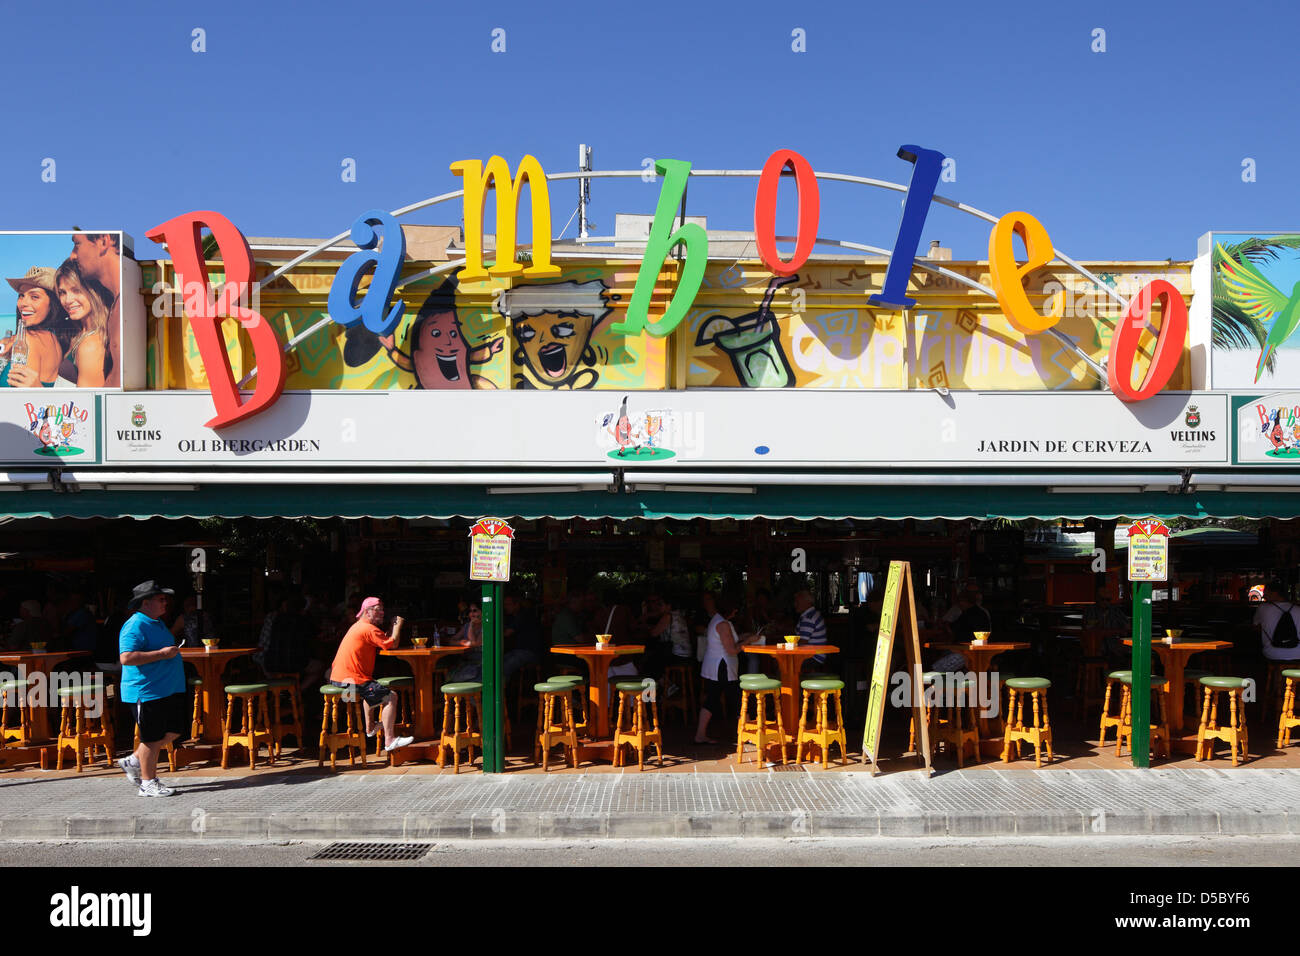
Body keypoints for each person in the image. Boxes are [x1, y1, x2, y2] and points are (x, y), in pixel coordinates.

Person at [116, 581, 184, 796]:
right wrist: (163, 654)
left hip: (166, 688)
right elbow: (126, 657)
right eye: (160, 599)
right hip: (146, 690)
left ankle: (135, 759)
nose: (165, 602)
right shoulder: (135, 624)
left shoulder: (157, 622)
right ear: (146, 603)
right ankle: (148, 783)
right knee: (152, 739)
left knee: (176, 729)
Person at [329, 597, 413, 751]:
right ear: (367, 612)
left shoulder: (359, 626)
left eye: (382, 609)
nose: (382, 613)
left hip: (339, 677)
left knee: (373, 689)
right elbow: (392, 644)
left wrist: (390, 629)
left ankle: (370, 728)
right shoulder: (368, 629)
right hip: (352, 679)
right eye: (377, 609)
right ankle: (389, 740)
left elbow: (384, 640)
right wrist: (398, 625)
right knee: (391, 697)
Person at [696, 594, 752, 744]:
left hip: (716, 666)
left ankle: (700, 735)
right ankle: (747, 733)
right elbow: (731, 650)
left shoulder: (719, 620)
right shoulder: (723, 624)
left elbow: (728, 639)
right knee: (736, 698)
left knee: (713, 699)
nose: (736, 613)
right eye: (735, 610)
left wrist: (743, 637)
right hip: (722, 666)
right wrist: (747, 641)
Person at [69, 232, 121, 387]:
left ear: (103, 241)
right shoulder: (115, 307)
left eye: (77, 244)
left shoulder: (126, 303)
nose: (72, 255)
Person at [1, 267, 67, 387]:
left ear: (52, 304)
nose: (23, 303)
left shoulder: (26, 341)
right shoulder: (55, 339)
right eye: (21, 295)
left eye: (34, 297)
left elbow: (21, 400)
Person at [53, 259, 112, 386]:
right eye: (62, 292)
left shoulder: (91, 345)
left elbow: (86, 404)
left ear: (93, 291)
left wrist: (36, 387)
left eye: (76, 290)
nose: (67, 300)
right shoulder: (82, 334)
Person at [1255, 581, 1300, 662]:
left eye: (1265, 592)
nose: (1263, 596)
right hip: (1298, 653)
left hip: (1273, 653)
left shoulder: (1262, 608)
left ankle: (1276, 674)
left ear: (1274, 593)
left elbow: (1256, 627)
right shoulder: (1298, 609)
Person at [793, 589, 828, 663]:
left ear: (806, 603)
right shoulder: (812, 614)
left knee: (785, 664)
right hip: (817, 656)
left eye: (797, 602)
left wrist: (788, 645)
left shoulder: (808, 618)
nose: (795, 604)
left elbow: (802, 642)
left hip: (813, 657)